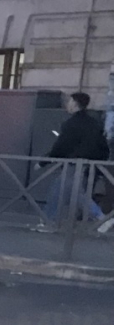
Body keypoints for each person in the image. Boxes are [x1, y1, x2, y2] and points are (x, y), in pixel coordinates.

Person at [43, 92, 107, 225]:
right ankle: (101, 217)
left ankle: (48, 222)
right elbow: (102, 146)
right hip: (86, 165)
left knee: (61, 192)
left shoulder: (71, 124)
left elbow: (61, 146)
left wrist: (43, 161)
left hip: (72, 163)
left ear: (75, 104)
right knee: (72, 193)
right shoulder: (94, 123)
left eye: (69, 101)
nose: (67, 104)